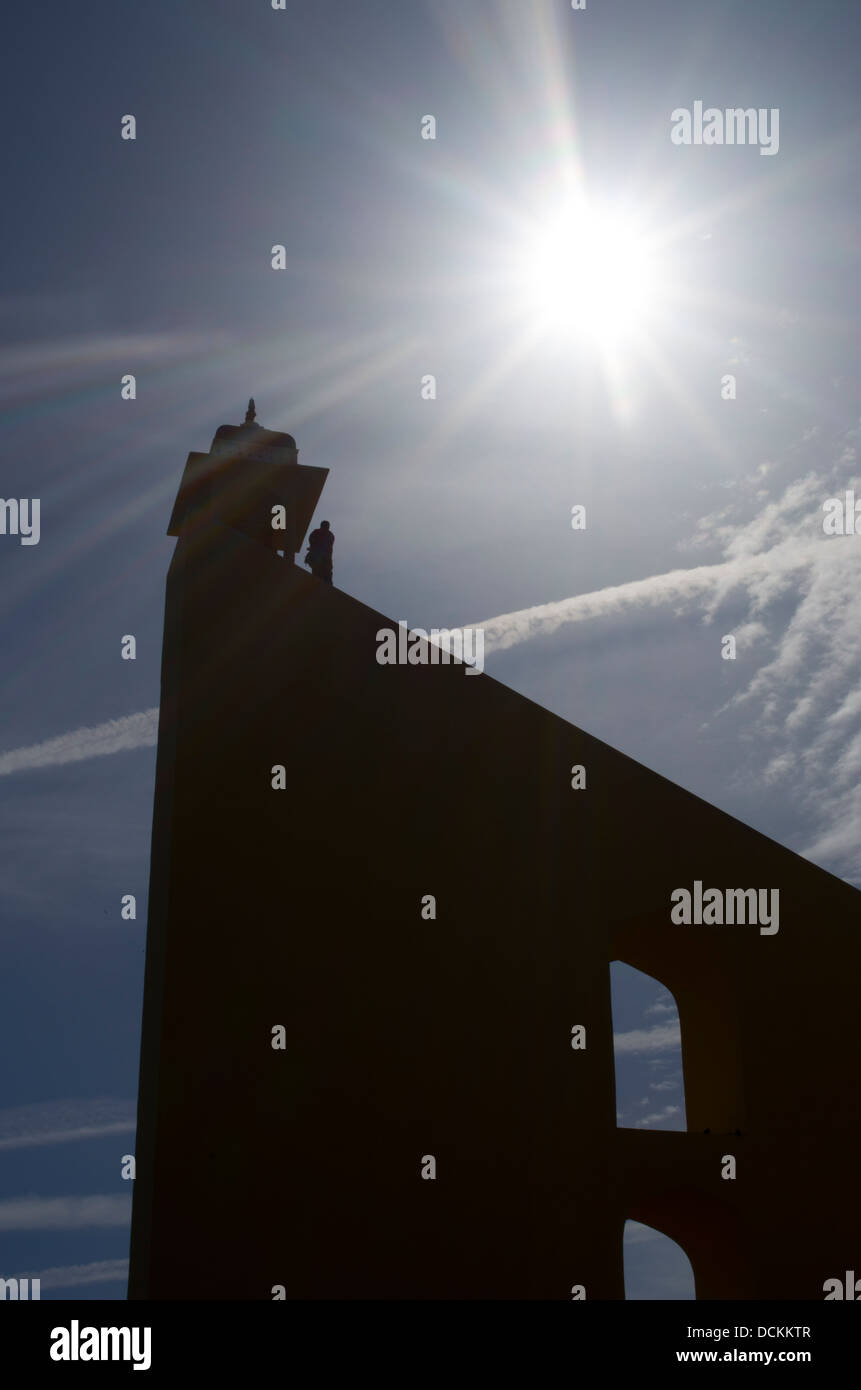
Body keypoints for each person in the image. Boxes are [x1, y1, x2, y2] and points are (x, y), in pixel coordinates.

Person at [305, 519, 334, 584]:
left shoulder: (329, 535)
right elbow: (311, 540)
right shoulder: (318, 532)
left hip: (323, 558)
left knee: (325, 574)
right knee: (318, 573)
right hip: (318, 557)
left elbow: (312, 540)